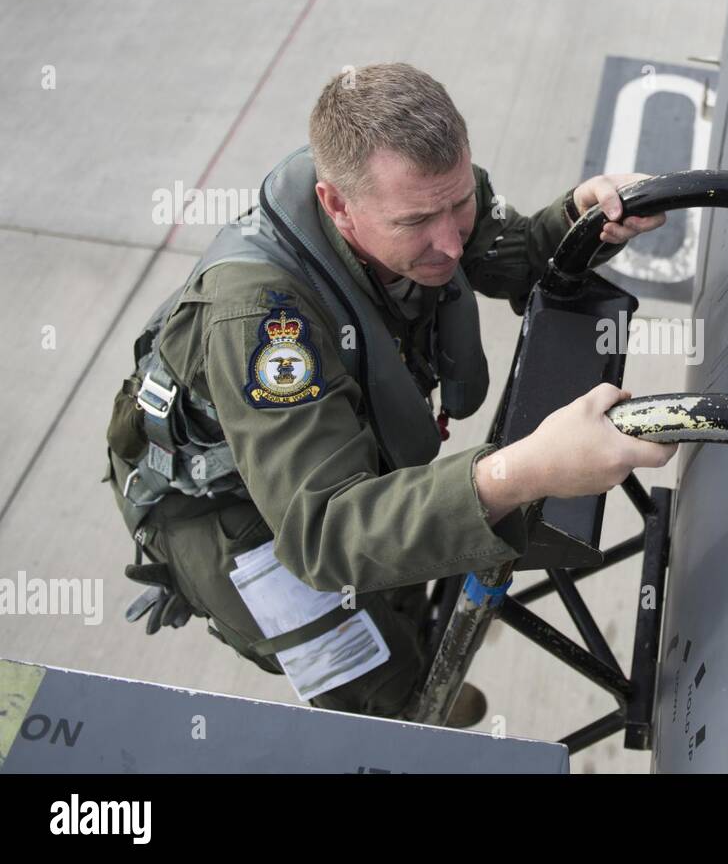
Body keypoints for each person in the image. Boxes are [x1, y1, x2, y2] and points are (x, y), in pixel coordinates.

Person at [105, 63, 677, 725]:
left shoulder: (424, 190)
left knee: (405, 565)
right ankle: (406, 702)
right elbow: (326, 533)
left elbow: (510, 256)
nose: (451, 240)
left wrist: (582, 217)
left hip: (337, 457)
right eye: (418, 222)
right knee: (377, 681)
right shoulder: (267, 329)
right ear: (336, 205)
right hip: (234, 514)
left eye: (460, 203)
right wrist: (526, 468)